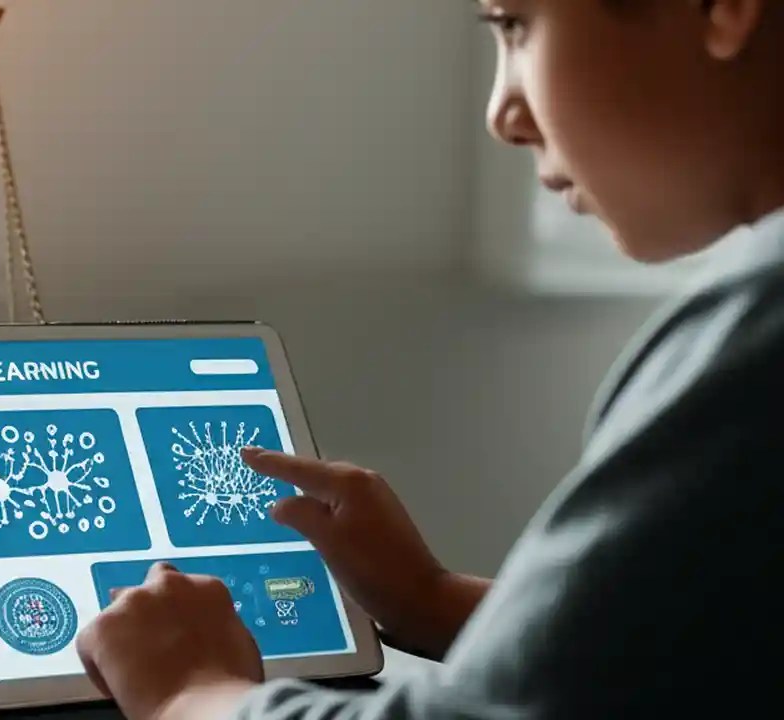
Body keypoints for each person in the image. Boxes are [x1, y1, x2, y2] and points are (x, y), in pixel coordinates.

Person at [74, 1, 784, 717]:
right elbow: (698, 655)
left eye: (515, 25)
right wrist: (429, 599)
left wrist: (188, 695)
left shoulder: (759, 340)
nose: (502, 115)